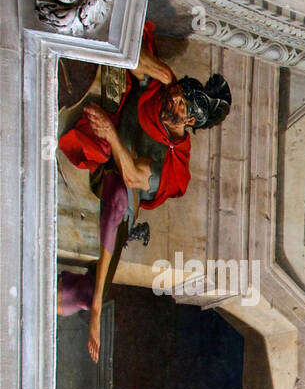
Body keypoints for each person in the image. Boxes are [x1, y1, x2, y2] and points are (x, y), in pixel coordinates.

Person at [58, 22, 232, 361]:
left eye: (180, 103)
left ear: (189, 121)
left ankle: (92, 304)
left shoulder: (172, 159)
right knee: (89, 288)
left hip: (118, 178)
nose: (174, 98)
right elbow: (132, 59)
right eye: (178, 92)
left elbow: (134, 175)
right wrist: (161, 73)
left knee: (123, 198)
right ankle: (85, 297)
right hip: (115, 130)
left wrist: (110, 134)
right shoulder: (166, 86)